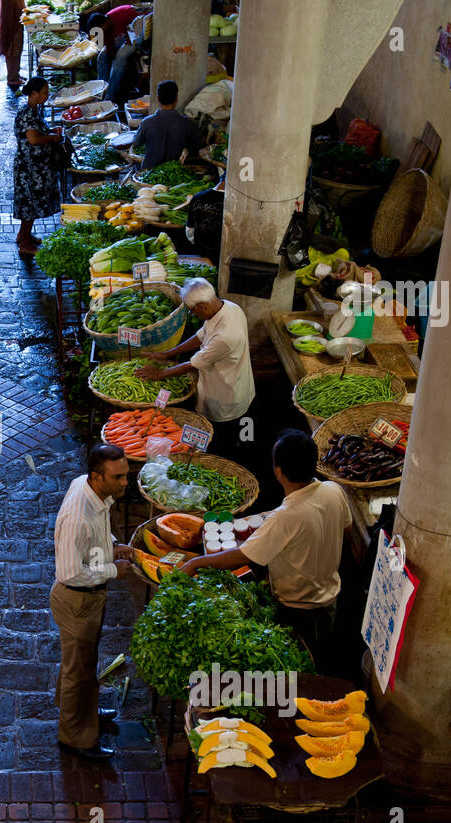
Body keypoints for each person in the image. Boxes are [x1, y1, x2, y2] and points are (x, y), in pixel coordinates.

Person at [176, 430, 352, 676]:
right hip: (329, 596)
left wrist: (198, 562)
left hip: (297, 606)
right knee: (320, 649)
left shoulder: (286, 517)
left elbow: (242, 556)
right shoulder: (334, 490)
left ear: (278, 471)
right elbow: (346, 525)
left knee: (301, 663)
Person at [51, 445, 134, 761]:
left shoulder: (88, 488)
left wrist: (113, 546)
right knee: (79, 670)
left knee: (81, 665)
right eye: (119, 477)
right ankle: (75, 737)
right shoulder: (78, 517)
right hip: (77, 601)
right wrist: (114, 570)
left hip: (87, 600)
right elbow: (70, 571)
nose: (125, 482)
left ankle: (81, 711)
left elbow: (97, 535)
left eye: (125, 475)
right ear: (97, 477)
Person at [135, 277, 254, 457]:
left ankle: (224, 457)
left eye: (192, 310)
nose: (192, 315)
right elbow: (202, 335)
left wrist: (160, 374)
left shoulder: (226, 335)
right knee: (225, 430)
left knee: (222, 435)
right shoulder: (228, 307)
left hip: (225, 393)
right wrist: (168, 354)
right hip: (230, 379)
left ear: (202, 306)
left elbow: (194, 364)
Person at [12, 77, 64, 255]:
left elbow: (37, 132)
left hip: (37, 166)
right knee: (29, 203)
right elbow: (33, 139)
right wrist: (51, 138)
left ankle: (23, 235)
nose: (46, 96)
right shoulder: (27, 113)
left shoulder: (34, 110)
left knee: (32, 203)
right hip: (30, 168)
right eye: (44, 92)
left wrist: (50, 131)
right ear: (33, 93)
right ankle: (25, 243)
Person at [133, 80, 203, 169]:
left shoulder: (146, 123)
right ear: (176, 99)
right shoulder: (187, 124)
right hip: (174, 172)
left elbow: (136, 144)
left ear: (158, 99)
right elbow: (198, 146)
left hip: (149, 173)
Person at [0, 0, 24, 90]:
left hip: (13, 17)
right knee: (13, 47)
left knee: (16, 47)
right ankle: (12, 78)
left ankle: (15, 75)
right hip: (11, 17)